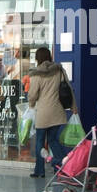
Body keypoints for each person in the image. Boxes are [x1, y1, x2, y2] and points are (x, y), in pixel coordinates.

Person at [26, 46, 73, 178]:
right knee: (53, 140)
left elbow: (33, 94)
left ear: (38, 59)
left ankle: (40, 171)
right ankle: (64, 166)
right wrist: (73, 107)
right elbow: (68, 88)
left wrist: (31, 104)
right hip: (57, 111)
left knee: (40, 142)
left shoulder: (36, 74)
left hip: (43, 113)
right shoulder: (59, 70)